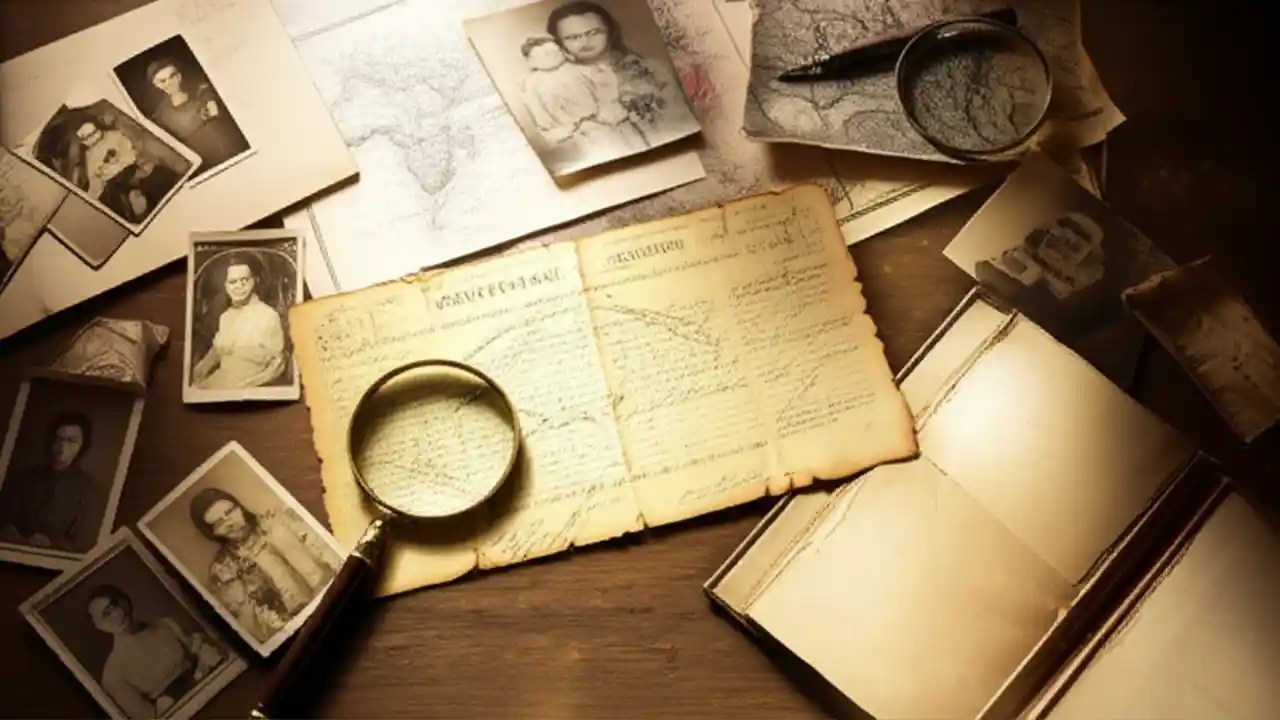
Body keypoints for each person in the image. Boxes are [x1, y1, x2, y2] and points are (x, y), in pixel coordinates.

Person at [188, 487, 339, 643]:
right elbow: (253, 624)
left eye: (230, 512)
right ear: (211, 533)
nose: (230, 523)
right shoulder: (223, 571)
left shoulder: (279, 521)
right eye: (219, 523)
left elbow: (326, 552)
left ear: (239, 507)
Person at [546, 1, 695, 154]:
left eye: (594, 33)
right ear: (559, 42)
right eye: (572, 37)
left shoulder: (651, 70)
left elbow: (681, 121)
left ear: (610, 31)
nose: (585, 42)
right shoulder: (559, 84)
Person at [86, 584, 225, 718]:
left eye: (116, 602)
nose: (118, 613)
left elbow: (207, 653)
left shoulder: (168, 624)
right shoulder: (113, 674)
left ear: (126, 598)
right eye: (107, 613)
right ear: (98, 626)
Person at [0, 412, 97, 552]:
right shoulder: (24, 478)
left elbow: (83, 542)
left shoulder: (86, 488)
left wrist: (52, 544)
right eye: (58, 439)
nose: (62, 448)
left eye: (72, 441)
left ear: (83, 446)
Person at [191, 253, 286, 389]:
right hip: (221, 382)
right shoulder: (226, 317)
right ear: (226, 286)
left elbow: (278, 365)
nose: (239, 286)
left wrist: (250, 385)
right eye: (232, 282)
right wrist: (200, 369)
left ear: (254, 281)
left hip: (251, 386)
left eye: (244, 280)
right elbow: (217, 352)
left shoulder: (268, 315)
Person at [145, 56, 248, 173]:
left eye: (172, 76)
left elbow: (214, 111)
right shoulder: (160, 115)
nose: (169, 83)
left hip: (231, 150)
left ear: (179, 76)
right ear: (156, 85)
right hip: (206, 162)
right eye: (162, 81)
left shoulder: (202, 91)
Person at [72, 118, 181, 224]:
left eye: (92, 133)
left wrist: (136, 167)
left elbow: (131, 154)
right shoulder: (89, 156)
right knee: (127, 201)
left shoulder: (115, 136)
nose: (92, 138)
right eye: (87, 137)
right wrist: (91, 199)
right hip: (114, 183)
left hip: (131, 169)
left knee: (160, 177)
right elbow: (94, 180)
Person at [520, 35, 600, 145]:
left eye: (554, 52)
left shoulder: (573, 68)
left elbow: (596, 85)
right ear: (531, 60)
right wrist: (551, 128)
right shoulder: (533, 82)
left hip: (596, 117)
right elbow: (535, 107)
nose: (552, 57)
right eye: (545, 55)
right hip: (567, 129)